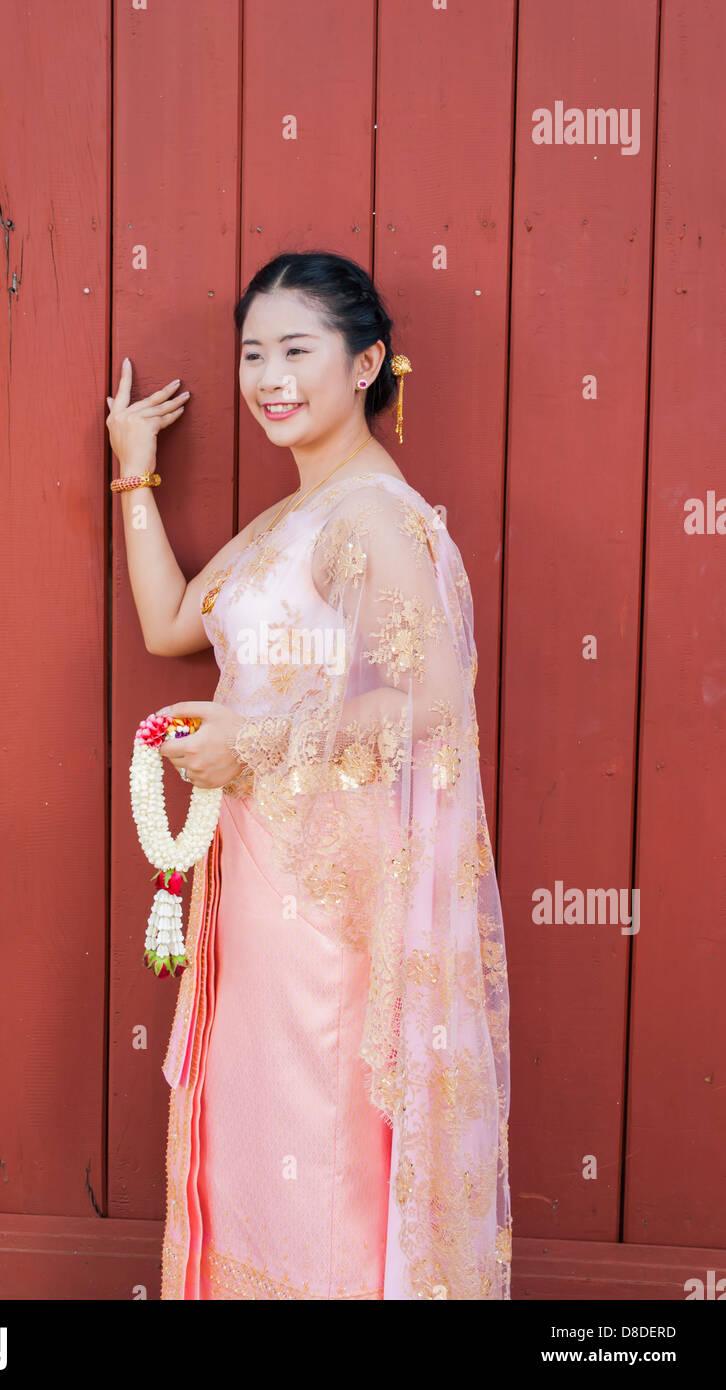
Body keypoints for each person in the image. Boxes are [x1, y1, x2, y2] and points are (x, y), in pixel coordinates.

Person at [106, 250, 511, 1300]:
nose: (269, 378)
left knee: (319, 1150)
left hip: (329, 905)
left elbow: (430, 704)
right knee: (258, 1145)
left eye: (298, 350)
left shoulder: (370, 516)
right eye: (252, 353)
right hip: (258, 887)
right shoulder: (292, 516)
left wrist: (254, 743)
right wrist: (132, 466)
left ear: (368, 360)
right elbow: (171, 623)